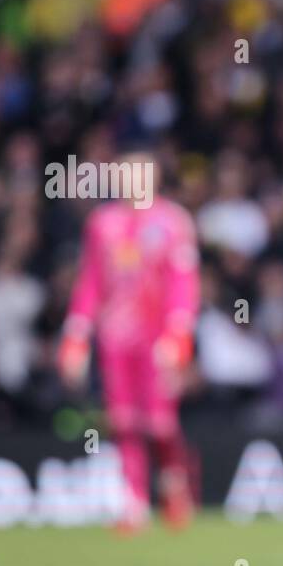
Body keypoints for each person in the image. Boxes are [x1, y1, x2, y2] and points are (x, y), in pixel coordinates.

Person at [58, 154, 200, 533]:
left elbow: (183, 281)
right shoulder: (102, 223)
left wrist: (179, 331)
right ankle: (133, 503)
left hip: (157, 338)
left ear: (154, 178)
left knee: (160, 422)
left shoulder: (172, 222)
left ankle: (174, 484)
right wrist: (76, 334)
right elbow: (90, 282)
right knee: (123, 421)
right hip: (116, 338)